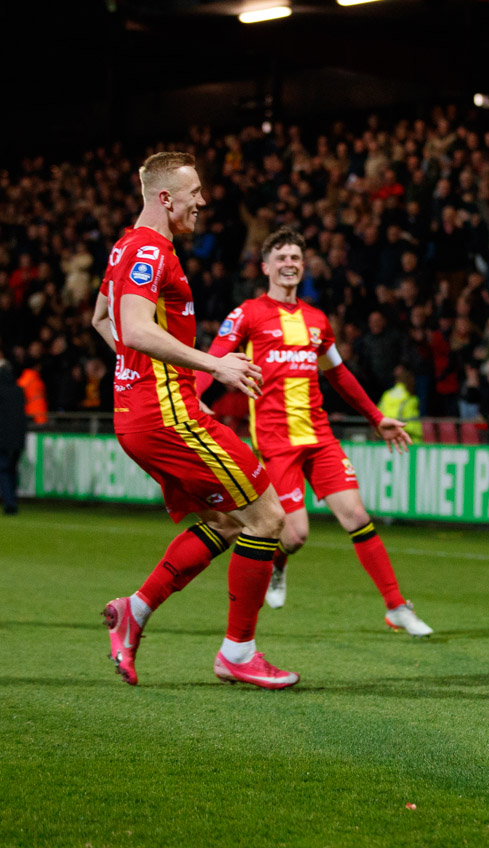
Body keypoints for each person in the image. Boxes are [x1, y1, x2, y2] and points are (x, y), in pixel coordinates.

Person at [91, 152, 298, 689]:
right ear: (166, 198)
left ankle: (133, 611)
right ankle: (238, 653)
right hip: (165, 417)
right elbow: (132, 328)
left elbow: (101, 319)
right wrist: (214, 365)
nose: (202, 202)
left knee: (230, 520)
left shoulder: (124, 246)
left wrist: (155, 381)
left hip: (149, 412)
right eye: (195, 193)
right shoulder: (148, 250)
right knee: (269, 518)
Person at [199, 228, 432, 636]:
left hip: (319, 438)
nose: (289, 264)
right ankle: (278, 564)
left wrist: (377, 418)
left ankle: (396, 606)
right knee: (296, 535)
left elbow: (339, 375)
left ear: (303, 267)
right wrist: (192, 396)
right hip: (275, 443)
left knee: (357, 515)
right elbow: (215, 359)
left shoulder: (316, 320)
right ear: (266, 266)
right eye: (281, 257)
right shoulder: (248, 313)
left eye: (295, 258)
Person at [0, 356, 26, 515]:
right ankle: (12, 499)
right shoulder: (19, 390)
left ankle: (10, 503)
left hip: (2, 438)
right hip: (17, 439)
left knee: (3, 470)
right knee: (11, 470)